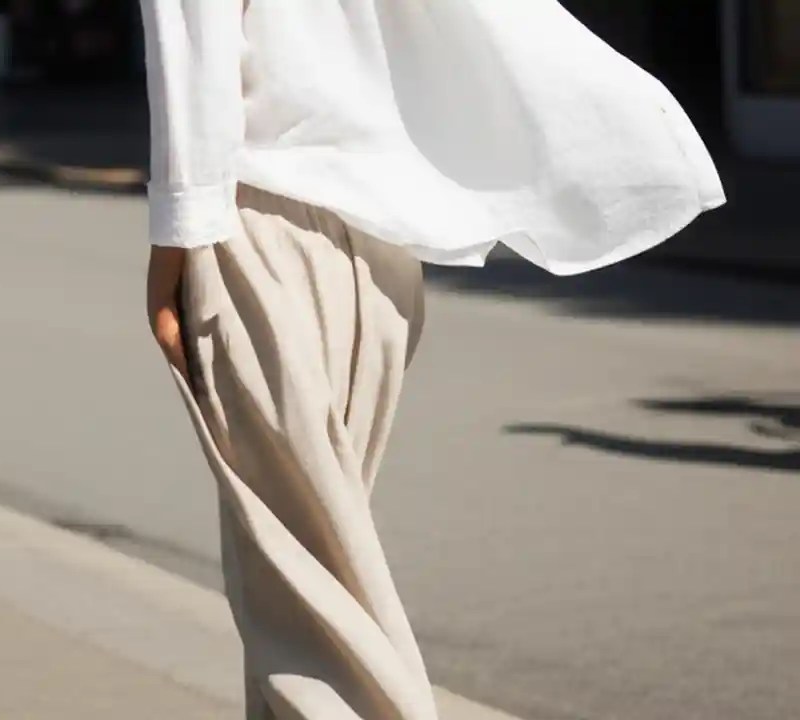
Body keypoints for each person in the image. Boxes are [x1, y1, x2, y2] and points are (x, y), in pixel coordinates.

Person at [139, 2, 724, 719]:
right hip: (381, 248)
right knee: (309, 578)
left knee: (307, 601)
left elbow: (192, 31)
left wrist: (179, 228)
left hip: (262, 217)